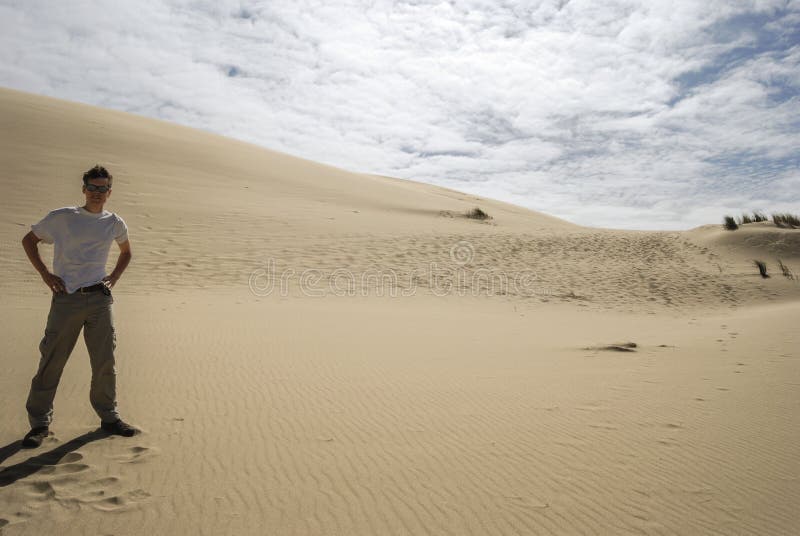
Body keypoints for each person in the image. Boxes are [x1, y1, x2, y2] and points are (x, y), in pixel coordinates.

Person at [20, 165, 138, 448]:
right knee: (51, 361)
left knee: (104, 362)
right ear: (84, 189)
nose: (97, 193)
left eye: (103, 189)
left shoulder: (114, 222)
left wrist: (114, 277)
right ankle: (39, 424)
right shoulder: (62, 217)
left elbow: (126, 252)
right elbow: (29, 240)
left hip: (100, 299)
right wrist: (45, 274)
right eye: (93, 188)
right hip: (67, 299)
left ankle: (109, 417)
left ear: (109, 192)